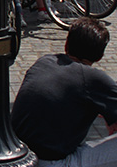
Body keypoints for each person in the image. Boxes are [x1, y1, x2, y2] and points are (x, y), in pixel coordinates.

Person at [11, 17, 117, 165]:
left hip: (18, 156)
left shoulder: (44, 61)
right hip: (50, 162)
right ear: (100, 56)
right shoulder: (93, 78)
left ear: (66, 44)